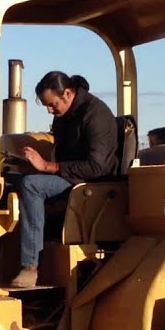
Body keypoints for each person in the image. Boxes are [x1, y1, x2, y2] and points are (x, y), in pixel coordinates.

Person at [11, 71, 117, 288]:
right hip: (69, 175)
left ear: (68, 93)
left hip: (91, 183)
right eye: (46, 106)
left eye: (52, 104)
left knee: (32, 185)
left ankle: (30, 266)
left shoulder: (96, 116)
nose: (50, 110)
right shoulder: (64, 116)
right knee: (11, 179)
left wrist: (48, 166)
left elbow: (97, 166)